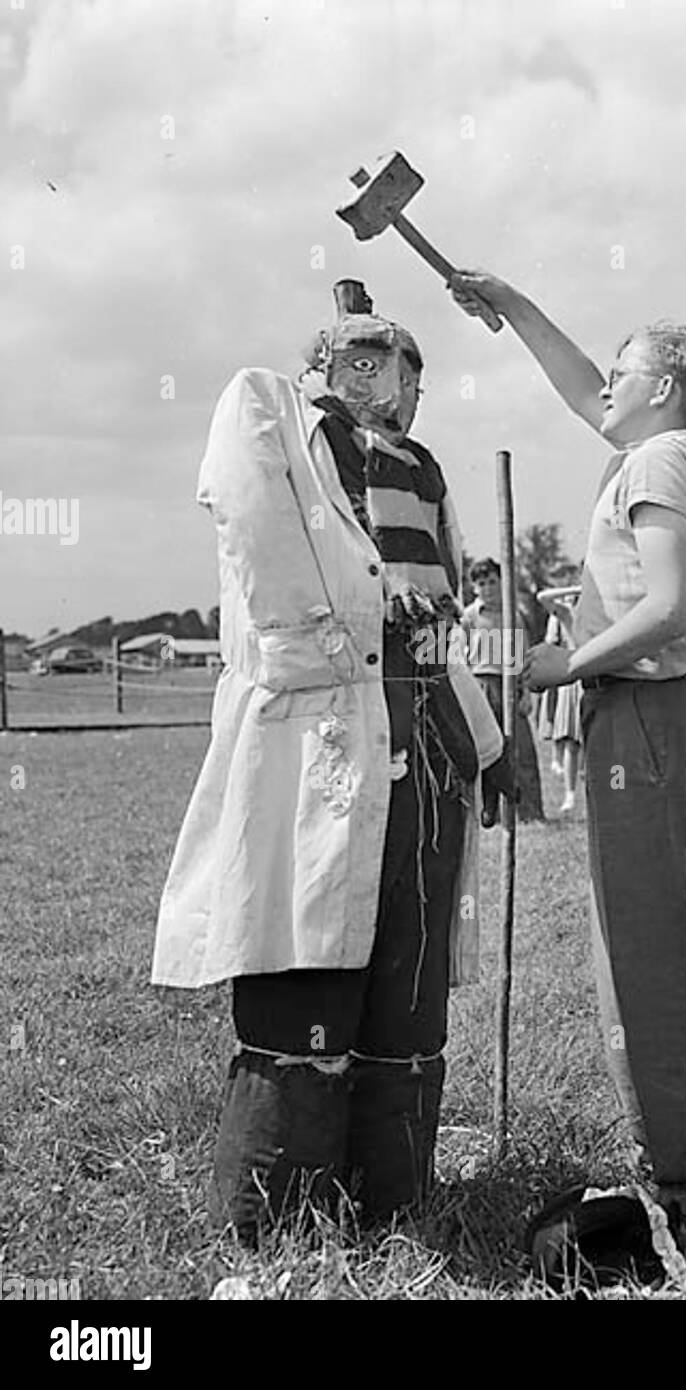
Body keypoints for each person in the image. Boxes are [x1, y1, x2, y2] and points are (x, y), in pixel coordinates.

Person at [151, 280, 506, 1246]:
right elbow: (292, 584)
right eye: (372, 363)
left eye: (403, 369)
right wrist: (371, 616)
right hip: (324, 742)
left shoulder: (424, 470)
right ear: (330, 367)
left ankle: (390, 1201)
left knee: (409, 976)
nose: (394, 386)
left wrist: (486, 740)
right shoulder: (281, 433)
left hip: (428, 748)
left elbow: (441, 629)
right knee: (309, 972)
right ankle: (280, 1225)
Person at [450, 271, 686, 1237]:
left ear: (663, 389)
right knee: (647, 949)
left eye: (625, 372)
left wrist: (562, 663)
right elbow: (583, 389)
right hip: (662, 718)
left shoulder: (657, 466)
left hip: (648, 715)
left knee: (652, 960)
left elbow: (673, 610)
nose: (604, 386)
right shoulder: (679, 450)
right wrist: (512, 304)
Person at [461, 557, 545, 822]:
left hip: (509, 684)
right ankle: (488, 811)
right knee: (485, 750)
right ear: (474, 588)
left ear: (502, 583)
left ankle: (530, 811)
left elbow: (523, 655)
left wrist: (526, 693)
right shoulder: (469, 616)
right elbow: (459, 656)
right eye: (481, 583)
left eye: (492, 582)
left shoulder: (514, 615)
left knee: (521, 750)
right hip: (480, 684)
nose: (487, 588)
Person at [537, 584, 583, 814]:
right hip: (575, 679)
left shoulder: (608, 610)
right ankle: (570, 795)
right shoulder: (568, 611)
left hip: (605, 678)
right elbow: (543, 597)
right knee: (571, 744)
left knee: (609, 747)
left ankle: (617, 786)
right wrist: (579, 587)